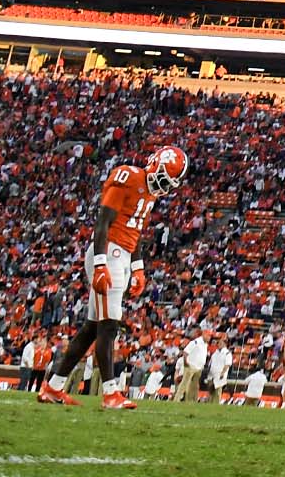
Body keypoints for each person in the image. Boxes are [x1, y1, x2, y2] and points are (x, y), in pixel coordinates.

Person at [37, 145, 189, 409]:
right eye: (162, 177)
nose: (162, 185)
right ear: (154, 164)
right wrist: (99, 264)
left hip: (123, 255)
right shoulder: (127, 177)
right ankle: (110, 393)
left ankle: (53, 387)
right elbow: (102, 223)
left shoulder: (150, 195)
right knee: (109, 325)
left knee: (92, 329)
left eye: (168, 183)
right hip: (108, 253)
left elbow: (136, 231)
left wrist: (139, 267)